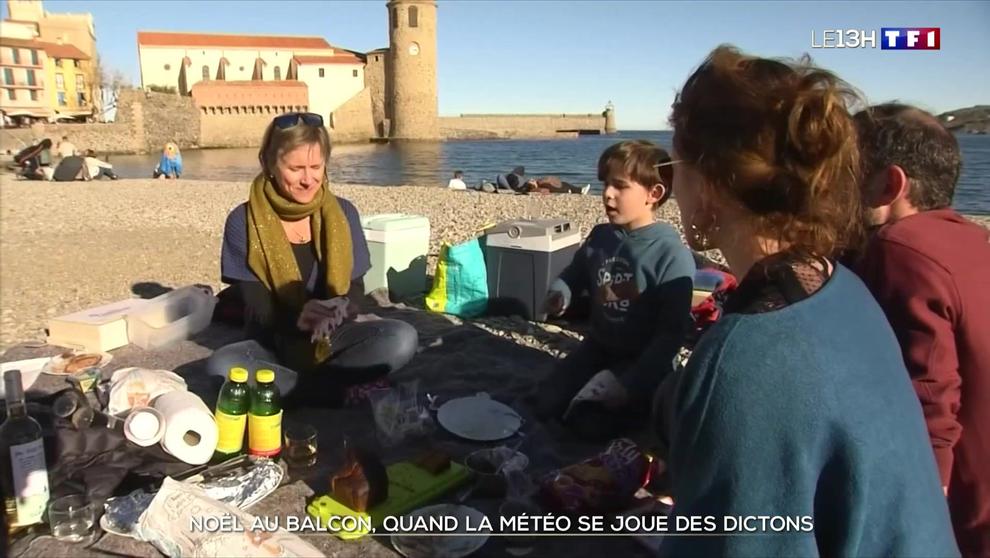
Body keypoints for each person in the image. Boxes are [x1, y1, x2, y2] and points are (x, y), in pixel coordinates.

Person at [658, 45, 958, 556]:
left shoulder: (744, 360)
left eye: (674, 166)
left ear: (710, 183)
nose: (670, 185)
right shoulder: (841, 286)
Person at [209, 112, 419, 407]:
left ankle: (294, 391)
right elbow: (256, 307)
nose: (308, 180)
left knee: (402, 337)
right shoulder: (242, 220)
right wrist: (298, 318)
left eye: (316, 166)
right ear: (269, 163)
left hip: (333, 337)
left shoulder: (344, 213)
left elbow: (355, 288)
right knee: (222, 364)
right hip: (273, 341)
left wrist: (341, 307)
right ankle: (335, 390)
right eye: (295, 168)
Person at [854, 103, 989, 557]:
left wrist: (915, 519)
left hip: (959, 517)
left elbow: (925, 395)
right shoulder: (967, 238)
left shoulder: (900, 249)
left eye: (845, 173)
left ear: (890, 185)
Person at [533, 140, 695, 441]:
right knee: (546, 403)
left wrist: (631, 383)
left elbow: (670, 335)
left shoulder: (671, 255)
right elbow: (575, 274)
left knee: (590, 426)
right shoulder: (600, 237)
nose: (607, 193)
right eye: (605, 184)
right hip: (598, 347)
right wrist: (560, 293)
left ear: (653, 193)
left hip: (644, 360)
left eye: (620, 186)